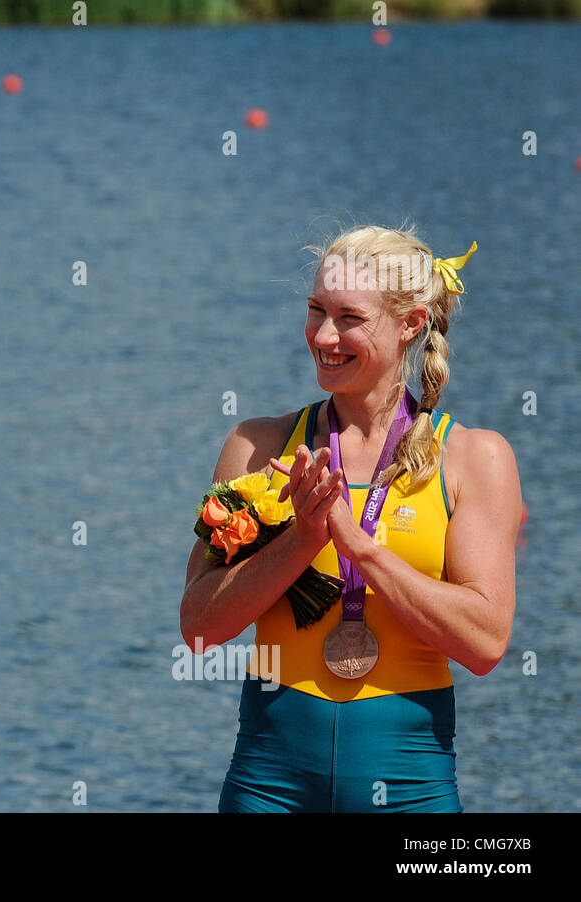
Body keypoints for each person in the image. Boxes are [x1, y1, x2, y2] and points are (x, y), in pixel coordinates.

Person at [179, 226, 519, 812]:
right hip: (269, 780)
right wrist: (301, 540)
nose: (324, 336)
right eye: (316, 311)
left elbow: (484, 644)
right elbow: (199, 630)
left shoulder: (474, 457)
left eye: (349, 318)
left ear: (411, 323)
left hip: (411, 785)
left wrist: (361, 549)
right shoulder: (257, 446)